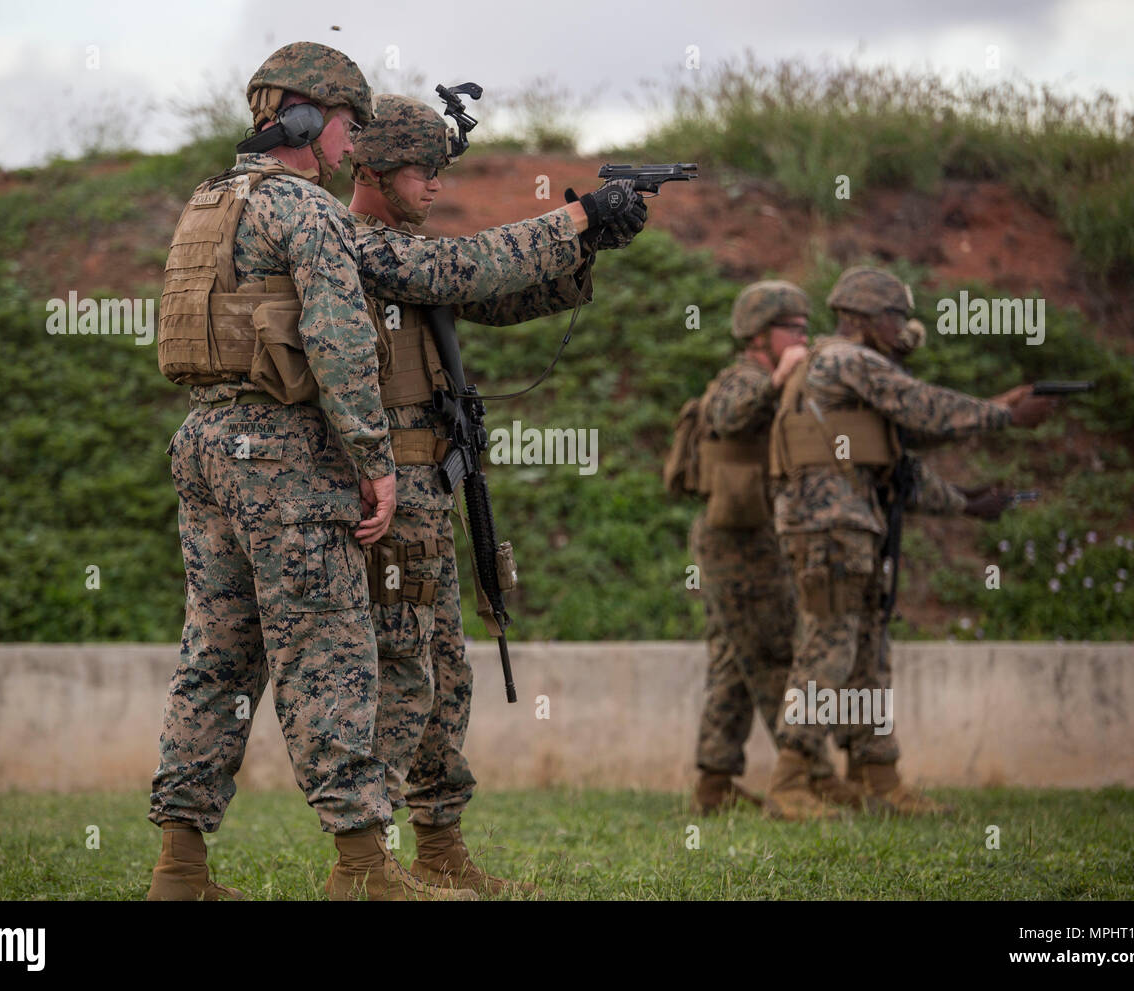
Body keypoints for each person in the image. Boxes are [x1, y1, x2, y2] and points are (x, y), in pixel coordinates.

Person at [146, 42, 646, 901]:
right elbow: (357, 333)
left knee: (218, 657)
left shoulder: (213, 201)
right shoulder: (316, 216)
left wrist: (585, 238)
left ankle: (181, 870)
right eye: (347, 124)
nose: (352, 142)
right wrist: (373, 461)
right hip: (289, 459)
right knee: (334, 658)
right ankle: (363, 868)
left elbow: (475, 286)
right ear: (306, 117)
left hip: (211, 442)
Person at [346, 94, 639, 894]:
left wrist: (589, 248)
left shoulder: (404, 248)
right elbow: (467, 268)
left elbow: (496, 296)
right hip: (386, 494)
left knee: (444, 669)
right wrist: (575, 219)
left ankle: (440, 847)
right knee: (403, 671)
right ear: (369, 171)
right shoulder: (355, 243)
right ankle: (364, 859)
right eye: (421, 169)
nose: (436, 184)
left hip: (430, 484)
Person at [764, 266, 1055, 819]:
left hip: (851, 526)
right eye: (897, 317)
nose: (903, 329)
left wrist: (969, 501)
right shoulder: (848, 358)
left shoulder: (849, 373)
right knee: (829, 648)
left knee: (868, 652)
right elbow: (922, 406)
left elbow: (904, 450)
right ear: (869, 317)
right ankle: (790, 780)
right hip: (828, 527)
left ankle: (879, 775)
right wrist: (1006, 414)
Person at [675, 281, 863, 814]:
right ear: (760, 335)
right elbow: (729, 415)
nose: (803, 337)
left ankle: (714, 783)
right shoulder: (742, 379)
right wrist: (777, 380)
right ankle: (809, 777)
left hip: (748, 540)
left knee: (734, 661)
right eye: (792, 329)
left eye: (807, 327)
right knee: (775, 652)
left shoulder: (777, 376)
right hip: (739, 545)